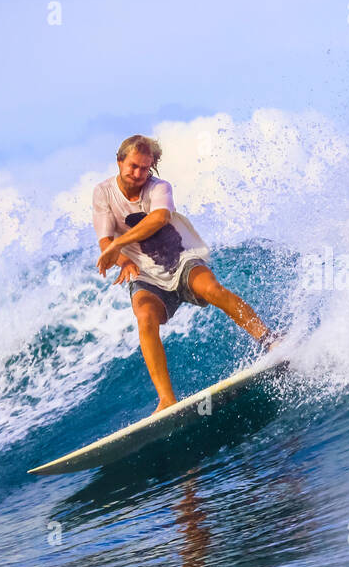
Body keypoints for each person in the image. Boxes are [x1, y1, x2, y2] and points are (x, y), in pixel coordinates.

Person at [93, 134, 277, 414]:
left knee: (212, 289)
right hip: (146, 274)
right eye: (133, 166)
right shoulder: (103, 193)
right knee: (145, 318)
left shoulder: (159, 187)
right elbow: (106, 243)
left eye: (145, 168)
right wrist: (122, 260)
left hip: (182, 258)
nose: (139, 173)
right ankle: (167, 399)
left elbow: (160, 218)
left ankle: (270, 340)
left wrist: (119, 243)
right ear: (119, 161)